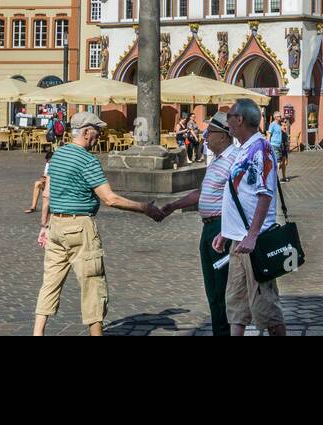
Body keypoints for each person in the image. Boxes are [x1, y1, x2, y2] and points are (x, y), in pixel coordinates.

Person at [33, 112, 160, 336]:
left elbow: (47, 195)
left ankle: (38, 333)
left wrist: (44, 225)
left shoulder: (58, 155)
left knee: (50, 282)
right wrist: (144, 208)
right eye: (96, 131)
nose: (99, 135)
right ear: (85, 132)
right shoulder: (87, 160)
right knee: (92, 283)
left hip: (56, 225)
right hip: (80, 226)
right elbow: (110, 199)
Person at [155, 111, 236, 336]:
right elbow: (202, 192)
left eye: (210, 132)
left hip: (222, 229)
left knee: (223, 288)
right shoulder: (217, 160)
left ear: (224, 135)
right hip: (208, 228)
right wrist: (172, 206)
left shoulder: (235, 159)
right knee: (212, 289)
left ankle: (227, 331)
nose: (206, 136)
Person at [213, 98, 286, 337]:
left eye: (230, 117)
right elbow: (240, 195)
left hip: (255, 241)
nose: (228, 122)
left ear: (240, 119)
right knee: (236, 303)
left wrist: (253, 235)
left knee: (265, 308)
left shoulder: (260, 148)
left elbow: (264, 194)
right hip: (238, 239)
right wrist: (227, 230)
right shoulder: (244, 149)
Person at [267, 112, 288, 183]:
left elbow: (284, 132)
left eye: (280, 116)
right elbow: (269, 135)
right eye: (279, 116)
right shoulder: (272, 125)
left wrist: (284, 126)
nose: (280, 117)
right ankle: (273, 178)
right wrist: (268, 145)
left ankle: (282, 177)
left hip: (281, 145)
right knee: (278, 162)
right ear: (275, 117)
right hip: (274, 145)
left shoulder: (280, 124)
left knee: (284, 162)